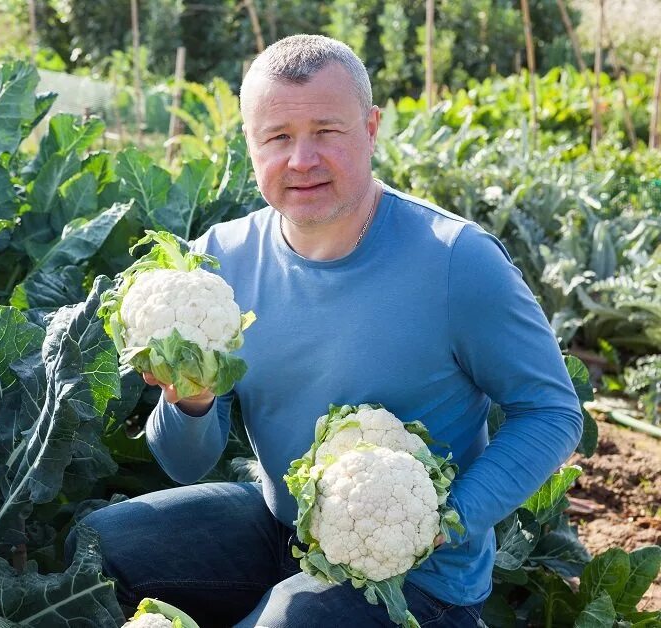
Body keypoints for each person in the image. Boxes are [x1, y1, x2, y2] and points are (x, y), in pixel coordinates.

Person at [67, 34, 583, 627]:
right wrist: (190, 401)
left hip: (416, 580)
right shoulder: (220, 262)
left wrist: (444, 518)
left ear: (371, 128)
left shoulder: (456, 261)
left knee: (287, 619)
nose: (302, 160)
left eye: (327, 132)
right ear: (251, 145)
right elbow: (187, 464)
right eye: (279, 137)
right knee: (99, 547)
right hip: (282, 527)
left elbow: (550, 410)